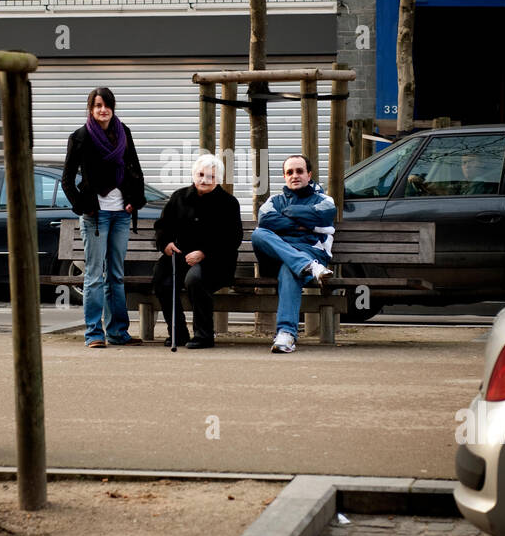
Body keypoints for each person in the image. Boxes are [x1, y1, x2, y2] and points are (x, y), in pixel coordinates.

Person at [61, 87, 148, 348]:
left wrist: (135, 200)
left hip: (121, 214)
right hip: (95, 218)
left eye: (107, 104)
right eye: (97, 105)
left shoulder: (124, 133)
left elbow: (136, 169)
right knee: (94, 276)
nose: (103, 109)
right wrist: (83, 206)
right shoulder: (80, 137)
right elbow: (67, 180)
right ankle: (94, 334)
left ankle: (118, 332)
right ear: (90, 108)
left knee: (116, 275)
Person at [152, 154, 243, 349]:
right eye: (201, 175)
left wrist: (204, 252)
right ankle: (178, 332)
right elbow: (162, 225)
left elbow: (232, 238)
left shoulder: (228, 203)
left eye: (210, 176)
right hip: (181, 257)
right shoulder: (179, 197)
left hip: (216, 261)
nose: (204, 180)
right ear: (194, 175)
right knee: (162, 279)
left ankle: (204, 335)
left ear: (218, 179)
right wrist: (165, 243)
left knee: (195, 279)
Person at [251, 154, 336, 354]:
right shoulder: (274, 200)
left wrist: (287, 214)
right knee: (258, 234)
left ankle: (286, 334)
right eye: (289, 172)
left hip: (310, 251)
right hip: (277, 258)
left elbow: (322, 215)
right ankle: (307, 266)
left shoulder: (324, 200)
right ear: (284, 176)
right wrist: (303, 224)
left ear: (309, 174)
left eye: (299, 171)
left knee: (290, 269)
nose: (294, 175)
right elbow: (265, 220)